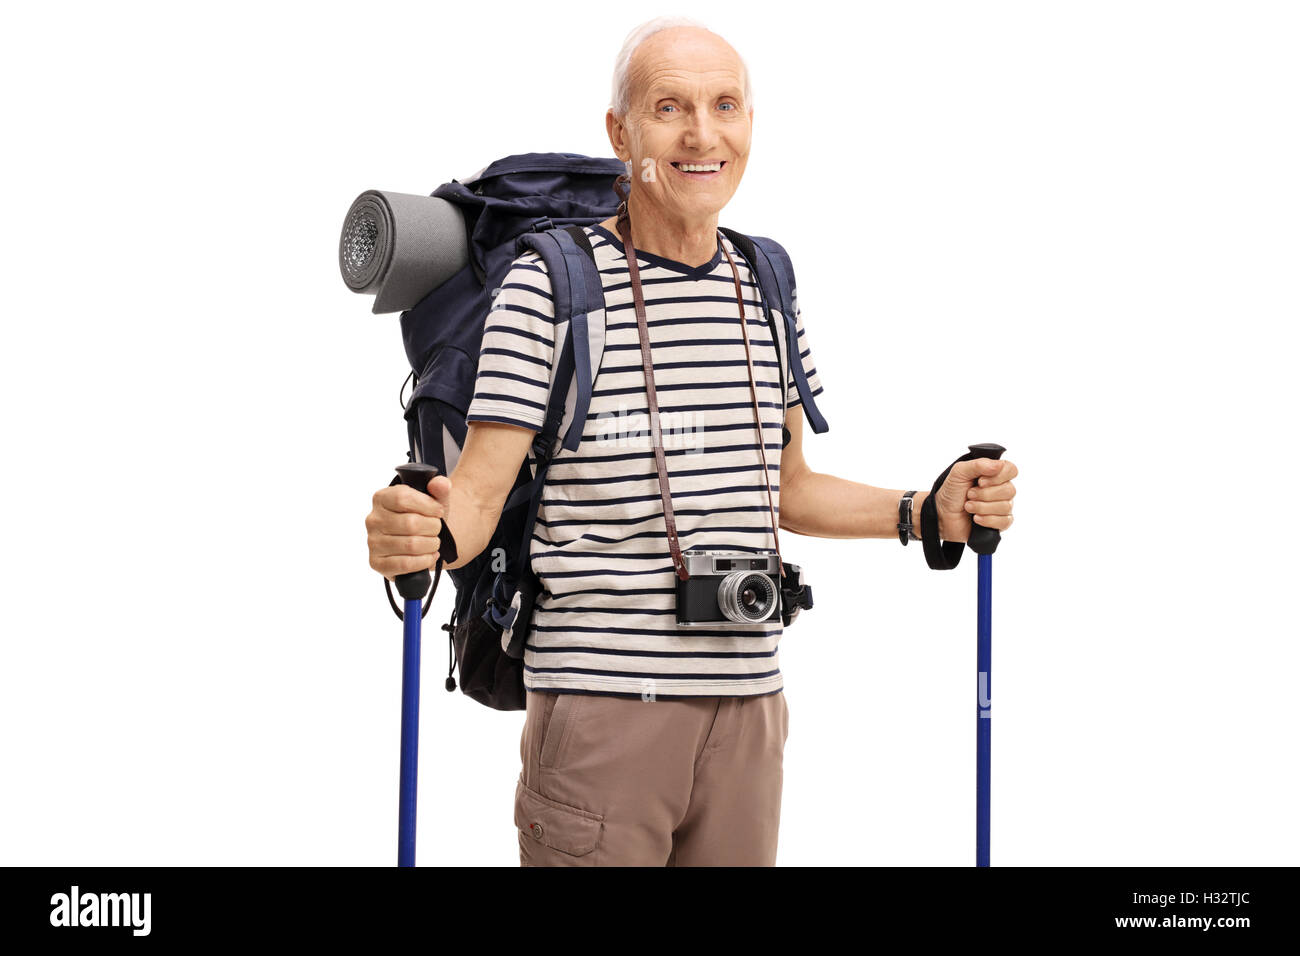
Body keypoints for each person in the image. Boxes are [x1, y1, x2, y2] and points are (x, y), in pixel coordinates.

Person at [364, 16, 1019, 866]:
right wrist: (424, 535)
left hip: (752, 710)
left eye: (726, 106)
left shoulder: (766, 280)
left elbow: (785, 487)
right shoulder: (550, 283)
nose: (702, 134)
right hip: (602, 712)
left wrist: (927, 511)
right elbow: (479, 496)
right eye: (670, 107)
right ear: (620, 131)